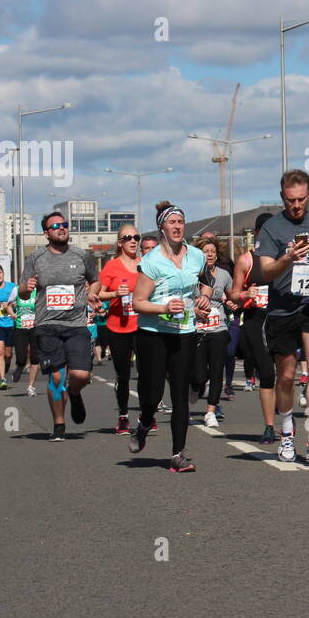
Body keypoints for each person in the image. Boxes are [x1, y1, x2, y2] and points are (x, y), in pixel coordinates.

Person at [253, 171, 309, 462]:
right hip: (281, 309)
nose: (296, 205)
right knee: (285, 377)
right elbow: (264, 272)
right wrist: (288, 257)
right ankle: (287, 433)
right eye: (290, 200)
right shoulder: (272, 228)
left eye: (301, 199)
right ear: (282, 198)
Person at [128, 201, 211, 470]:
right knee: (152, 395)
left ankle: (178, 454)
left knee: (180, 392)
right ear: (162, 227)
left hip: (184, 331)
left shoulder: (196, 256)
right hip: (153, 333)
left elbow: (204, 285)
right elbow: (137, 302)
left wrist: (203, 302)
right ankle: (143, 423)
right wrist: (163, 307)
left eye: (180, 222)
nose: (177, 227)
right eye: (172, 222)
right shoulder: (151, 262)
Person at [21, 210, 101, 442]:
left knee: (80, 375)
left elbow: (95, 280)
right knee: (56, 378)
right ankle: (59, 424)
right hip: (47, 324)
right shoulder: (35, 258)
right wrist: (28, 286)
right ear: (46, 233)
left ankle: (75, 392)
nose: (61, 228)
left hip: (76, 324)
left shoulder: (81, 256)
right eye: (55, 226)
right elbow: (23, 291)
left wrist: (92, 294)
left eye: (64, 224)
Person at [226, 211, 279, 442]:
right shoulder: (246, 260)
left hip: (280, 319)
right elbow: (234, 294)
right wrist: (246, 293)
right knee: (267, 372)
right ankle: (269, 426)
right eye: (264, 231)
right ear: (257, 233)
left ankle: (285, 417)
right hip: (255, 319)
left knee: (285, 375)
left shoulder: (283, 257)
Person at [97, 224, 142, 432]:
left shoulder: (145, 264)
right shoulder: (112, 266)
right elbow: (99, 293)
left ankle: (146, 414)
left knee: (146, 373)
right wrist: (116, 294)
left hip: (142, 326)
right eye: (127, 238)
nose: (133, 241)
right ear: (120, 243)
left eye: (136, 237)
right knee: (123, 375)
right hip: (118, 328)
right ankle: (123, 414)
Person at [191, 237, 233, 427]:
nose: (209, 254)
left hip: (219, 327)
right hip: (197, 328)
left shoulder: (224, 275)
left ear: (217, 256)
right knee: (199, 375)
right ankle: (196, 387)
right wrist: (194, 309)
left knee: (217, 371)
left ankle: (210, 412)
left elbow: (232, 296)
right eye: (206, 251)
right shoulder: (191, 274)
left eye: (213, 252)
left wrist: (234, 302)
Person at [12, 285, 40, 396]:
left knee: (35, 358)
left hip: (35, 327)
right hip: (20, 327)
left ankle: (31, 387)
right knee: (21, 357)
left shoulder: (39, 291)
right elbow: (9, 305)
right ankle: (19, 366)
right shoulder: (16, 290)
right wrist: (12, 313)